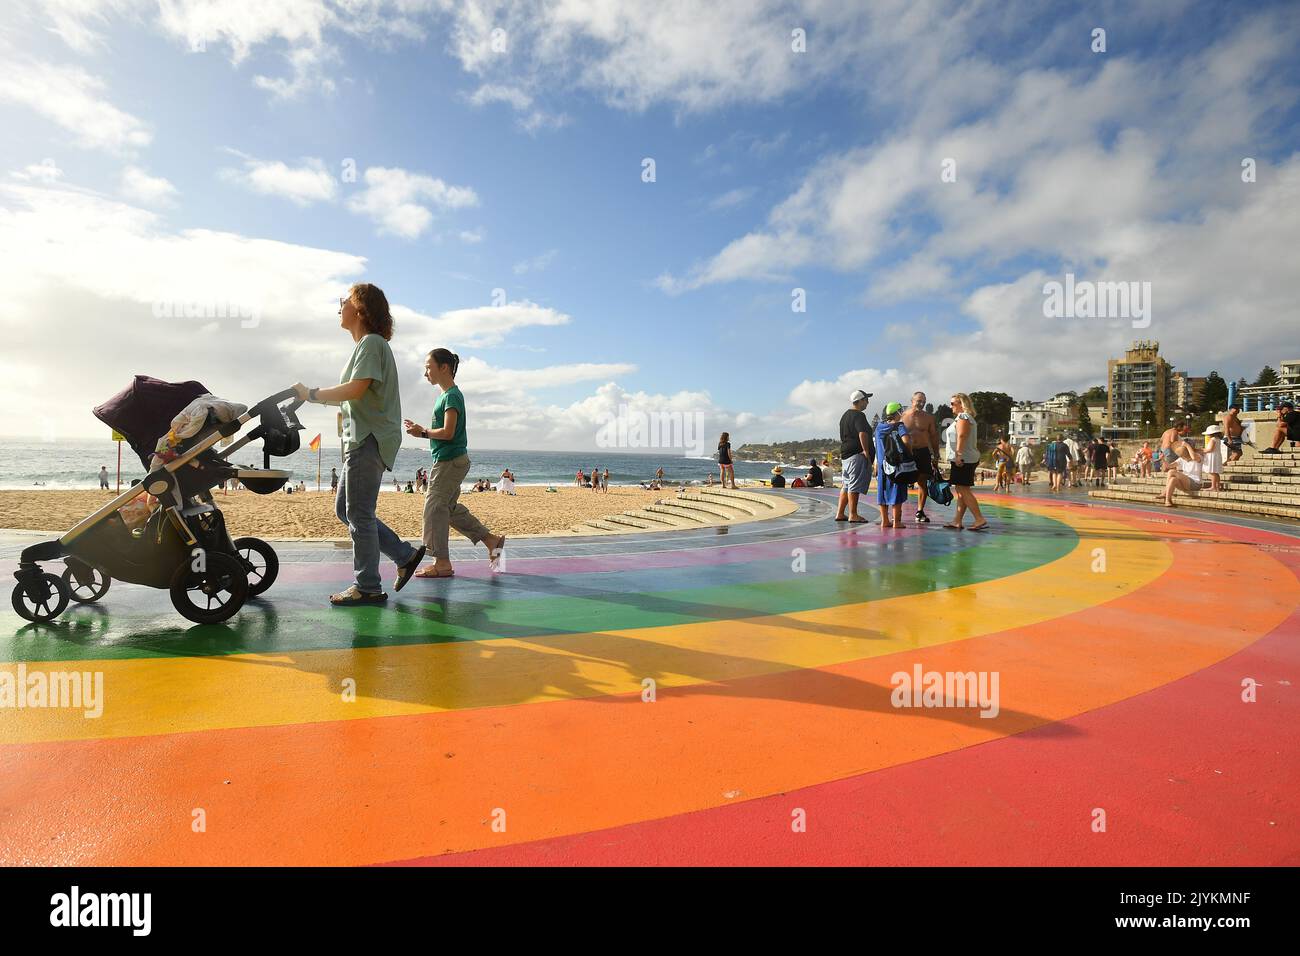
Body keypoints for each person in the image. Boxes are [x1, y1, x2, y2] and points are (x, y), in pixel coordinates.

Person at [294, 283, 425, 605]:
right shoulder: (366, 346)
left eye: (345, 301)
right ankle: (404, 556)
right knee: (347, 510)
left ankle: (367, 586)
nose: (340, 306)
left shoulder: (371, 343)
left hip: (369, 437)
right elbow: (352, 396)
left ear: (361, 309)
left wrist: (311, 394)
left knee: (359, 514)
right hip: (360, 437)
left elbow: (354, 390)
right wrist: (316, 398)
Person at [403, 347, 506, 578]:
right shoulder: (446, 396)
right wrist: (422, 432)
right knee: (447, 510)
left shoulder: (451, 396)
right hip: (450, 460)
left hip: (449, 461)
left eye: (428, 367)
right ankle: (492, 541)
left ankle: (442, 563)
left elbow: (448, 432)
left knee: (433, 509)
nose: (425, 372)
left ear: (444, 368)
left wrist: (422, 433)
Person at [944, 393, 987, 530]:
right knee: (962, 489)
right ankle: (957, 520)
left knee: (962, 489)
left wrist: (958, 454)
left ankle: (979, 518)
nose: (951, 406)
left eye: (953, 403)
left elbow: (962, 435)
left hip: (964, 458)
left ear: (961, 404)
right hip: (968, 457)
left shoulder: (963, 417)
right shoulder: (967, 417)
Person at [834, 389, 873, 523]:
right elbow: (862, 433)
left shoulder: (845, 415)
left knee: (846, 484)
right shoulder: (859, 415)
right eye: (866, 399)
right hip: (856, 455)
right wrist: (866, 451)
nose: (868, 402)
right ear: (860, 401)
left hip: (846, 455)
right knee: (854, 486)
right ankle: (853, 514)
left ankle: (840, 513)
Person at [901, 391, 939, 522]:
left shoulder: (928, 418)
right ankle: (897, 511)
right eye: (919, 401)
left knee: (923, 482)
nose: (921, 403)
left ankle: (920, 511)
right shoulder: (903, 416)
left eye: (924, 401)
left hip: (923, 451)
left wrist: (936, 454)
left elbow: (934, 437)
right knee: (900, 481)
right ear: (912, 401)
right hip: (906, 452)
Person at [874, 402, 913, 528]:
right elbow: (906, 441)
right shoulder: (899, 426)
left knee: (883, 490)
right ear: (897, 413)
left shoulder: (879, 427)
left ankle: (884, 520)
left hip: (882, 464)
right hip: (896, 464)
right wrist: (909, 453)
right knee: (897, 490)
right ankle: (897, 521)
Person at [1164, 441, 1204, 506]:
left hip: (1196, 484)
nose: (1182, 456)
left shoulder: (1198, 457)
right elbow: (1169, 466)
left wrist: (1187, 445)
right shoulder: (1181, 459)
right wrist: (1163, 459)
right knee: (1173, 479)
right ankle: (1167, 500)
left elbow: (1193, 457)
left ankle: (1164, 493)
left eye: (1183, 454)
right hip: (1185, 484)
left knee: (1172, 472)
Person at [1202, 425, 1224, 492]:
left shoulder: (1212, 439)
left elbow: (1210, 449)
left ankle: (1213, 486)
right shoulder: (1218, 439)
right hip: (1216, 456)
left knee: (1212, 472)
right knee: (1215, 472)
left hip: (1212, 456)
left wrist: (1202, 450)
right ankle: (1217, 486)